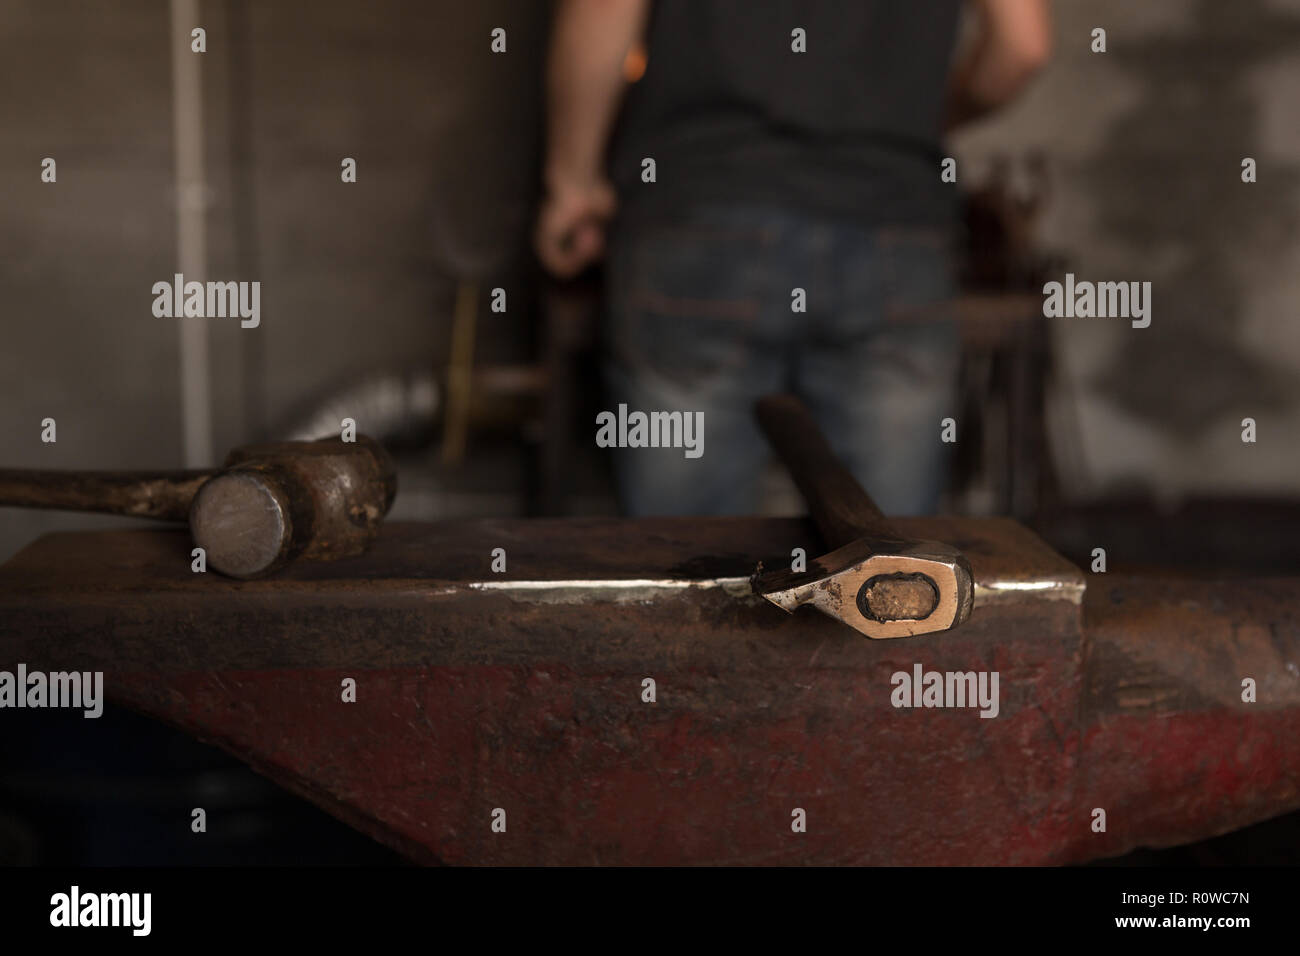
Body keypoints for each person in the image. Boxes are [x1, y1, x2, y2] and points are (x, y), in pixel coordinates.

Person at [536, 0, 1052, 516]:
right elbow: (1022, 47)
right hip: (895, 225)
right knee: (891, 570)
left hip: (704, 213)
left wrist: (573, 184)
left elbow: (602, 10)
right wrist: (917, 121)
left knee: (687, 562)